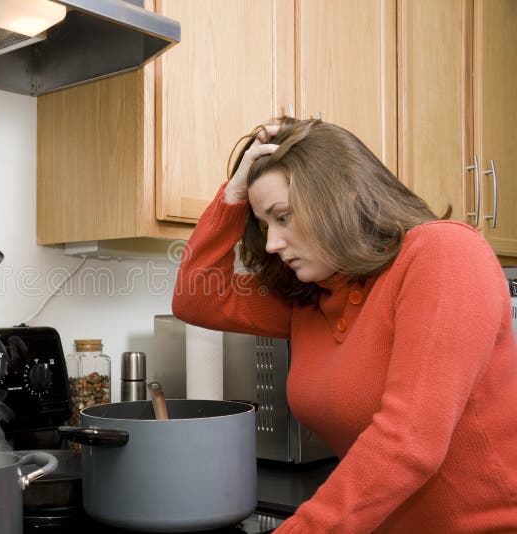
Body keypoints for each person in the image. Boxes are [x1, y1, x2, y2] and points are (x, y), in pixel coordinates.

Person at [172, 116, 517, 533]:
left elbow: (409, 442)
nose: (271, 244)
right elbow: (197, 299)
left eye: (283, 217)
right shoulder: (314, 295)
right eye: (264, 225)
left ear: (344, 194)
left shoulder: (445, 254)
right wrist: (234, 192)